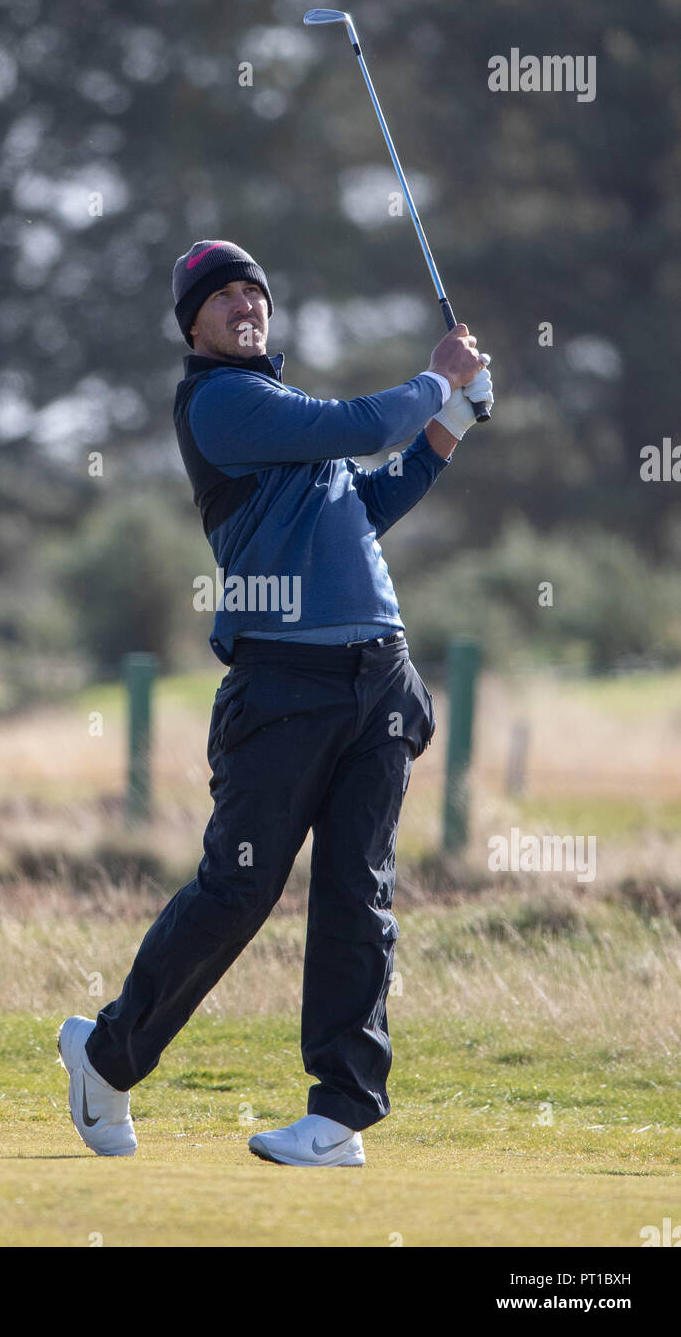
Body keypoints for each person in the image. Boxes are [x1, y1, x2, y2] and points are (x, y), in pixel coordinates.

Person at [58, 239, 493, 1166]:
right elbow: (362, 423)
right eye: (222, 299)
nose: (242, 306)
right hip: (284, 685)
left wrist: (448, 427)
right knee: (239, 889)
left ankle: (339, 1115)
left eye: (254, 292)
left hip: (379, 678)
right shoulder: (221, 406)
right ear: (194, 328)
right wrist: (435, 382)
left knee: (358, 896)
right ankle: (105, 1056)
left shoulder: (288, 416)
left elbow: (366, 504)